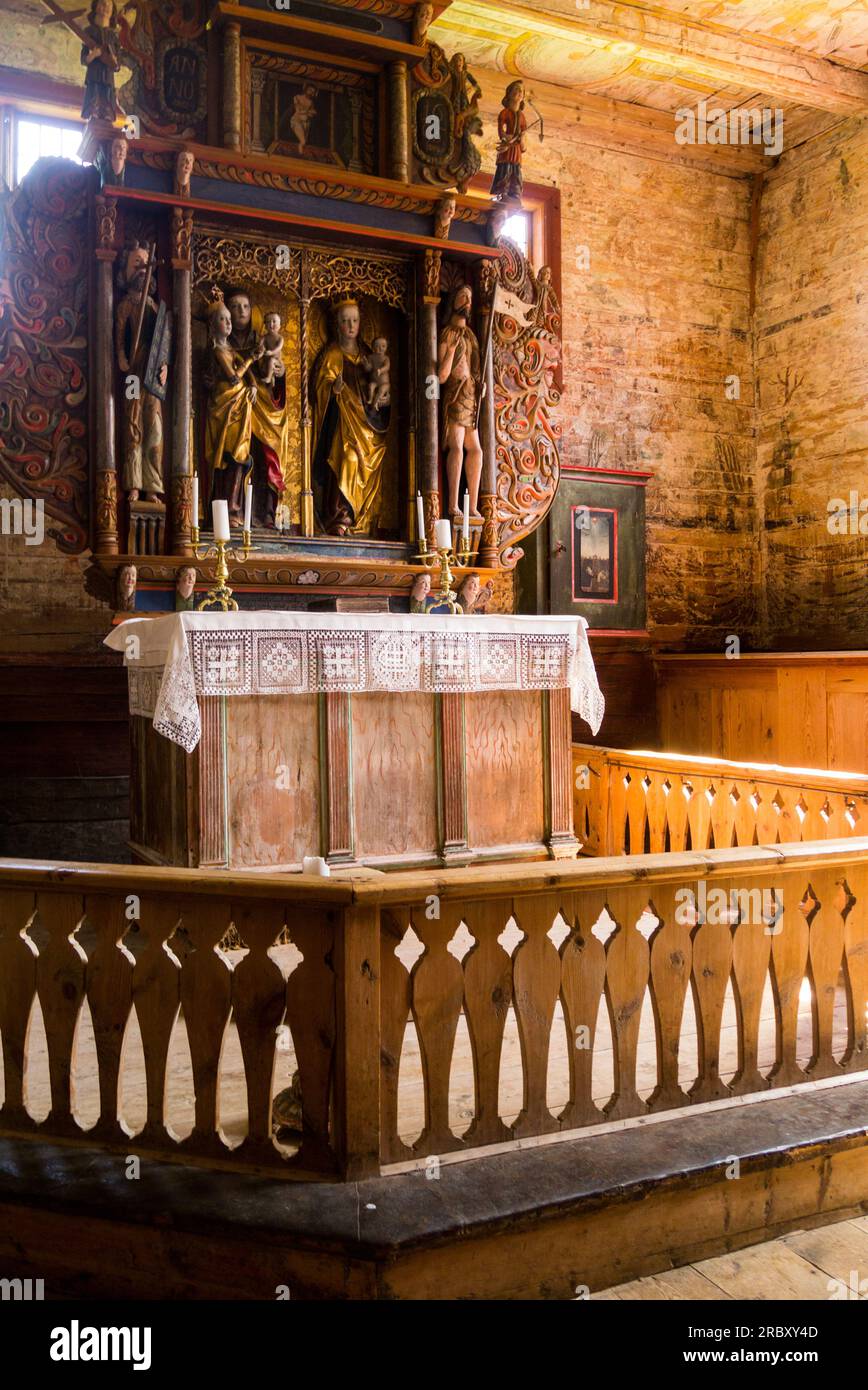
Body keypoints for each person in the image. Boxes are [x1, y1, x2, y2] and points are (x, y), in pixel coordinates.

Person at [312, 298, 389, 536]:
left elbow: (381, 384)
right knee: (347, 458)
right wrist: (332, 389)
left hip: (368, 428)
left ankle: (363, 520)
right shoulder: (332, 354)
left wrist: (384, 400)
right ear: (337, 325)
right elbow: (319, 388)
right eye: (345, 321)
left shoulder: (369, 354)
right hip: (341, 426)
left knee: (365, 459)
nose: (350, 325)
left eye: (354, 320)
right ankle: (338, 516)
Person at [437, 283, 483, 522]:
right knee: (456, 446)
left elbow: (475, 369)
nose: (467, 303)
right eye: (463, 297)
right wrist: (452, 351)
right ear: (453, 301)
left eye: (470, 299)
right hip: (455, 395)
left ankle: (473, 506)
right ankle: (453, 504)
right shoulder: (447, 333)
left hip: (470, 395)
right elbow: (442, 376)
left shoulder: (472, 336)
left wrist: (480, 385)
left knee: (476, 449)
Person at [80, 0, 123, 122]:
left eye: (109, 5)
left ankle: (107, 116)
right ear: (96, 7)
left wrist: (114, 61)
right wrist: (93, 54)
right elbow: (83, 59)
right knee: (94, 100)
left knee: (108, 101)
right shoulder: (88, 31)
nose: (106, 8)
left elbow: (118, 65)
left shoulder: (114, 36)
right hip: (94, 74)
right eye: (103, 4)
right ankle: (93, 114)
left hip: (108, 77)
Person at [490, 80, 527, 203]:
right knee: (505, 169)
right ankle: (502, 192)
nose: (519, 93)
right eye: (516, 90)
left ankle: (515, 194)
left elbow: (524, 135)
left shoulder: (522, 117)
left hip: (516, 149)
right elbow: (501, 131)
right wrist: (507, 138)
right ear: (509, 94)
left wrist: (522, 142)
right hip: (507, 147)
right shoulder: (504, 113)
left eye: (522, 91)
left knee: (516, 171)